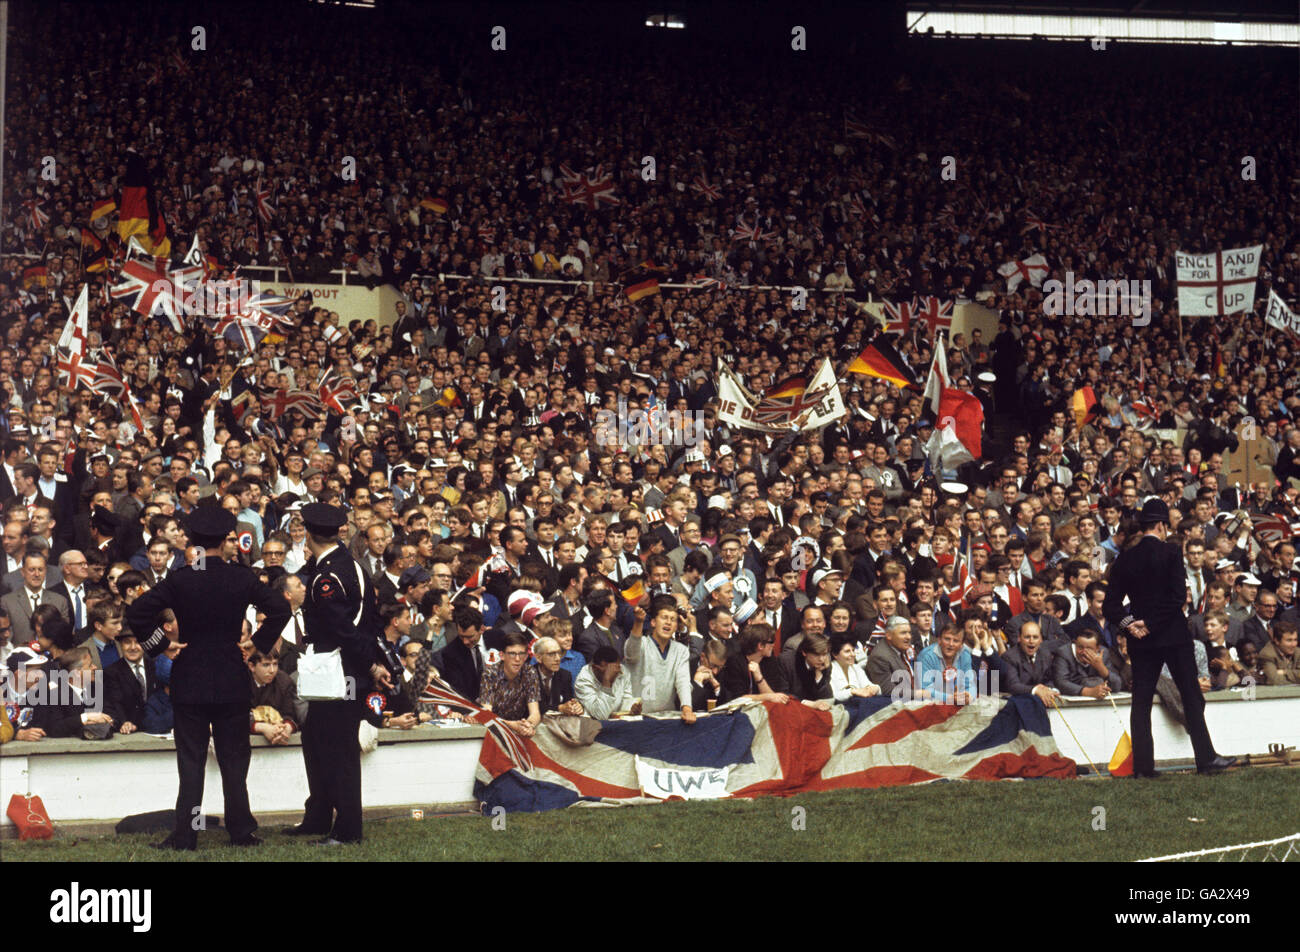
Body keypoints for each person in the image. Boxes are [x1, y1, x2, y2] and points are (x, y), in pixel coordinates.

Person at [125, 507, 288, 849]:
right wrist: (255, 643)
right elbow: (280, 608)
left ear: (194, 540)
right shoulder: (241, 577)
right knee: (234, 759)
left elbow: (137, 611)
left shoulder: (182, 578)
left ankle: (186, 834)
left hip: (191, 678)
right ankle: (241, 830)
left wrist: (162, 645)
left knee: (191, 761)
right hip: (231, 676)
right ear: (225, 541)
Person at [1102, 499, 1233, 777]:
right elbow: (1176, 598)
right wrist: (1149, 623)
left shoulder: (1124, 558)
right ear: (1162, 525)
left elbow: (1110, 606)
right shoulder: (1172, 552)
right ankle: (1206, 759)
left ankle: (1143, 768)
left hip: (1141, 640)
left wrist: (1132, 625)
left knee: (1141, 702)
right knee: (1190, 693)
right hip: (1172, 635)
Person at [285, 502, 388, 845]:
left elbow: (342, 628)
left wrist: (371, 665)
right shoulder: (350, 565)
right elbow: (369, 622)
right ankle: (318, 815)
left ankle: (347, 829)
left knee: (339, 750)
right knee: (315, 739)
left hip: (338, 669)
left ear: (310, 533)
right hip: (340, 667)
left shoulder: (327, 576)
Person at [622, 594, 696, 721]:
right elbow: (631, 654)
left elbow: (683, 681)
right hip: (637, 718)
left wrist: (687, 709)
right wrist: (638, 622)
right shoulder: (642, 643)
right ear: (653, 622)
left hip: (666, 717)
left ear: (677, 626)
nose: (668, 622)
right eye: (664, 618)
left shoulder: (681, 651)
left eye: (673, 619)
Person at [480, 631, 542, 735]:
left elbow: (535, 713)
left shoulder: (530, 672)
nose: (517, 659)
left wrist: (528, 725)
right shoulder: (490, 674)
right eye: (512, 654)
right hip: (493, 729)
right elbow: (486, 714)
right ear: (502, 656)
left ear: (526, 656)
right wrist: (512, 725)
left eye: (521, 654)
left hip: (519, 727)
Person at [574, 645, 640, 719]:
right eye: (607, 671)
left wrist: (631, 708)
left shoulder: (621, 671)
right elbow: (600, 715)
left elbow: (626, 701)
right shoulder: (583, 680)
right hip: (594, 725)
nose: (613, 673)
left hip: (617, 721)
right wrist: (606, 682)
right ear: (595, 668)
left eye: (616, 669)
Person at [530, 635, 582, 715]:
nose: (558, 658)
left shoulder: (565, 675)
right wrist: (559, 708)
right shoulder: (529, 675)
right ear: (538, 658)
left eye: (559, 653)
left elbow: (568, 701)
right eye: (551, 654)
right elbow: (533, 707)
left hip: (558, 722)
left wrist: (574, 706)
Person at [829, 632, 881, 701]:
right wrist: (852, 691)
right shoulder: (828, 671)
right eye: (847, 651)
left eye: (853, 650)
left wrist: (875, 688)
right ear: (835, 654)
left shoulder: (856, 668)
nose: (853, 654)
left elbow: (870, 686)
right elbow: (832, 696)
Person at [1258, 620, 1299, 686]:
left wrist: (1284, 672)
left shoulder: (1298, 652)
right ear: (1276, 640)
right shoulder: (1266, 655)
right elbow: (1274, 681)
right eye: (1289, 640)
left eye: (1295, 640)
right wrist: (1296, 676)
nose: (1293, 644)